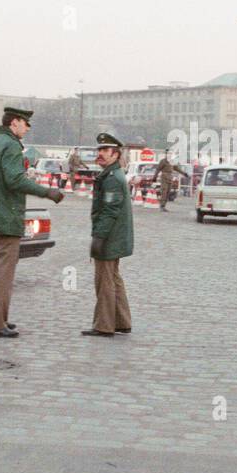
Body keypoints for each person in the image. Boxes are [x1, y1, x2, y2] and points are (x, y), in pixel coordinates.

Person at [0, 107, 64, 338]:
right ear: (14, 123)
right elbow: (15, 180)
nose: (26, 129)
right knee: (3, 273)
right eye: (25, 124)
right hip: (7, 217)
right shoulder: (11, 146)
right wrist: (48, 192)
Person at [84, 132, 134, 337]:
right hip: (115, 236)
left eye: (106, 151)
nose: (101, 154)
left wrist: (99, 238)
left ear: (116, 155)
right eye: (100, 150)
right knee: (113, 279)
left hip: (110, 237)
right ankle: (122, 321)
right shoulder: (112, 174)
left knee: (104, 281)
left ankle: (104, 326)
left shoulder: (112, 178)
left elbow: (110, 211)